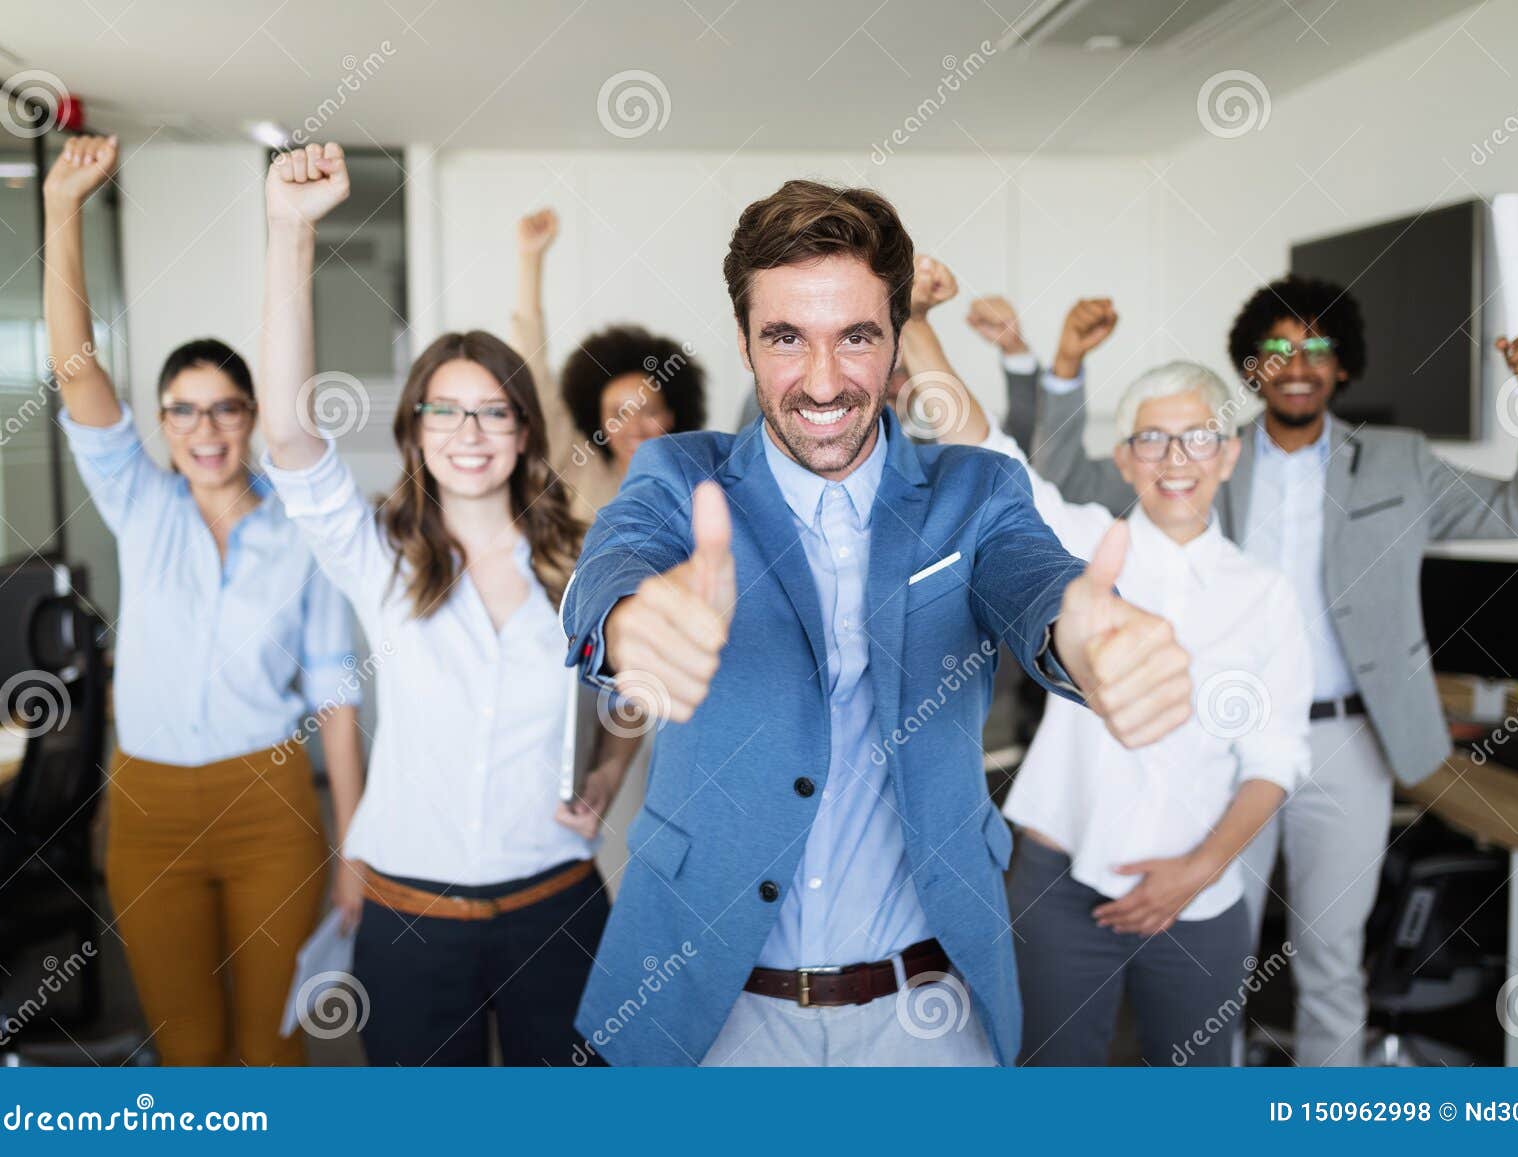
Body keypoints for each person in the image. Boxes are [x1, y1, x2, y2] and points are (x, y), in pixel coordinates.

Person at [561, 178, 1195, 1067]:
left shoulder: (974, 489)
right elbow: (610, 568)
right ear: (745, 343)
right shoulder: (677, 474)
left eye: (856, 336)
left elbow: (1038, 582)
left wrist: (1087, 637)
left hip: (926, 1013)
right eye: (786, 337)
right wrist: (631, 623)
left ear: (898, 340)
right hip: (707, 1003)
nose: (823, 382)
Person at [980, 279, 1518, 1066]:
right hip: (1221, 738)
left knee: (1332, 957)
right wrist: (1061, 371)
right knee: (1215, 955)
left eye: (1318, 348)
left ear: (1344, 366)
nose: (1297, 364)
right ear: (1252, 367)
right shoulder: (1203, 453)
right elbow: (1062, 487)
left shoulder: (1398, 463)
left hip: (1348, 739)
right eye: (1277, 349)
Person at [256, 144, 640, 1065]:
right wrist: (289, 231)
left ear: (524, 429)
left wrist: (608, 773)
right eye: (445, 411)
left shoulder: (583, 562)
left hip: (560, 910)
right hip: (409, 922)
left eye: (495, 411)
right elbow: (286, 428)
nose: (470, 433)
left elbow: (637, 687)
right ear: (415, 431)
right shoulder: (380, 557)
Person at [904, 256, 1311, 1066]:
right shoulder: (1087, 541)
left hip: (1199, 895)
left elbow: (1276, 758)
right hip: (1057, 883)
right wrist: (916, 323)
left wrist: (1197, 870)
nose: (1175, 457)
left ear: (1227, 454)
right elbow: (987, 448)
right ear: (1124, 458)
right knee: (1052, 1085)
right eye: (1151, 438)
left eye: (1198, 436)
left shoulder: (1268, 594)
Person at [43, 135, 364, 1066]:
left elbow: (337, 697)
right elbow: (74, 373)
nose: (205, 428)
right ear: (163, 423)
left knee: (273, 1046)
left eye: (225, 406)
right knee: (188, 1050)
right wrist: (63, 209)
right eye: (182, 409)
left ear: (253, 417)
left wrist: (355, 844)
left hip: (271, 808)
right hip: (147, 809)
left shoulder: (301, 531)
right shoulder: (139, 502)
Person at [510, 207, 707, 520]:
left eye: (649, 411)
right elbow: (529, 372)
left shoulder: (699, 483)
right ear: (598, 422)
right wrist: (530, 259)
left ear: (671, 416)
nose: (634, 427)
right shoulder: (580, 468)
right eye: (618, 414)